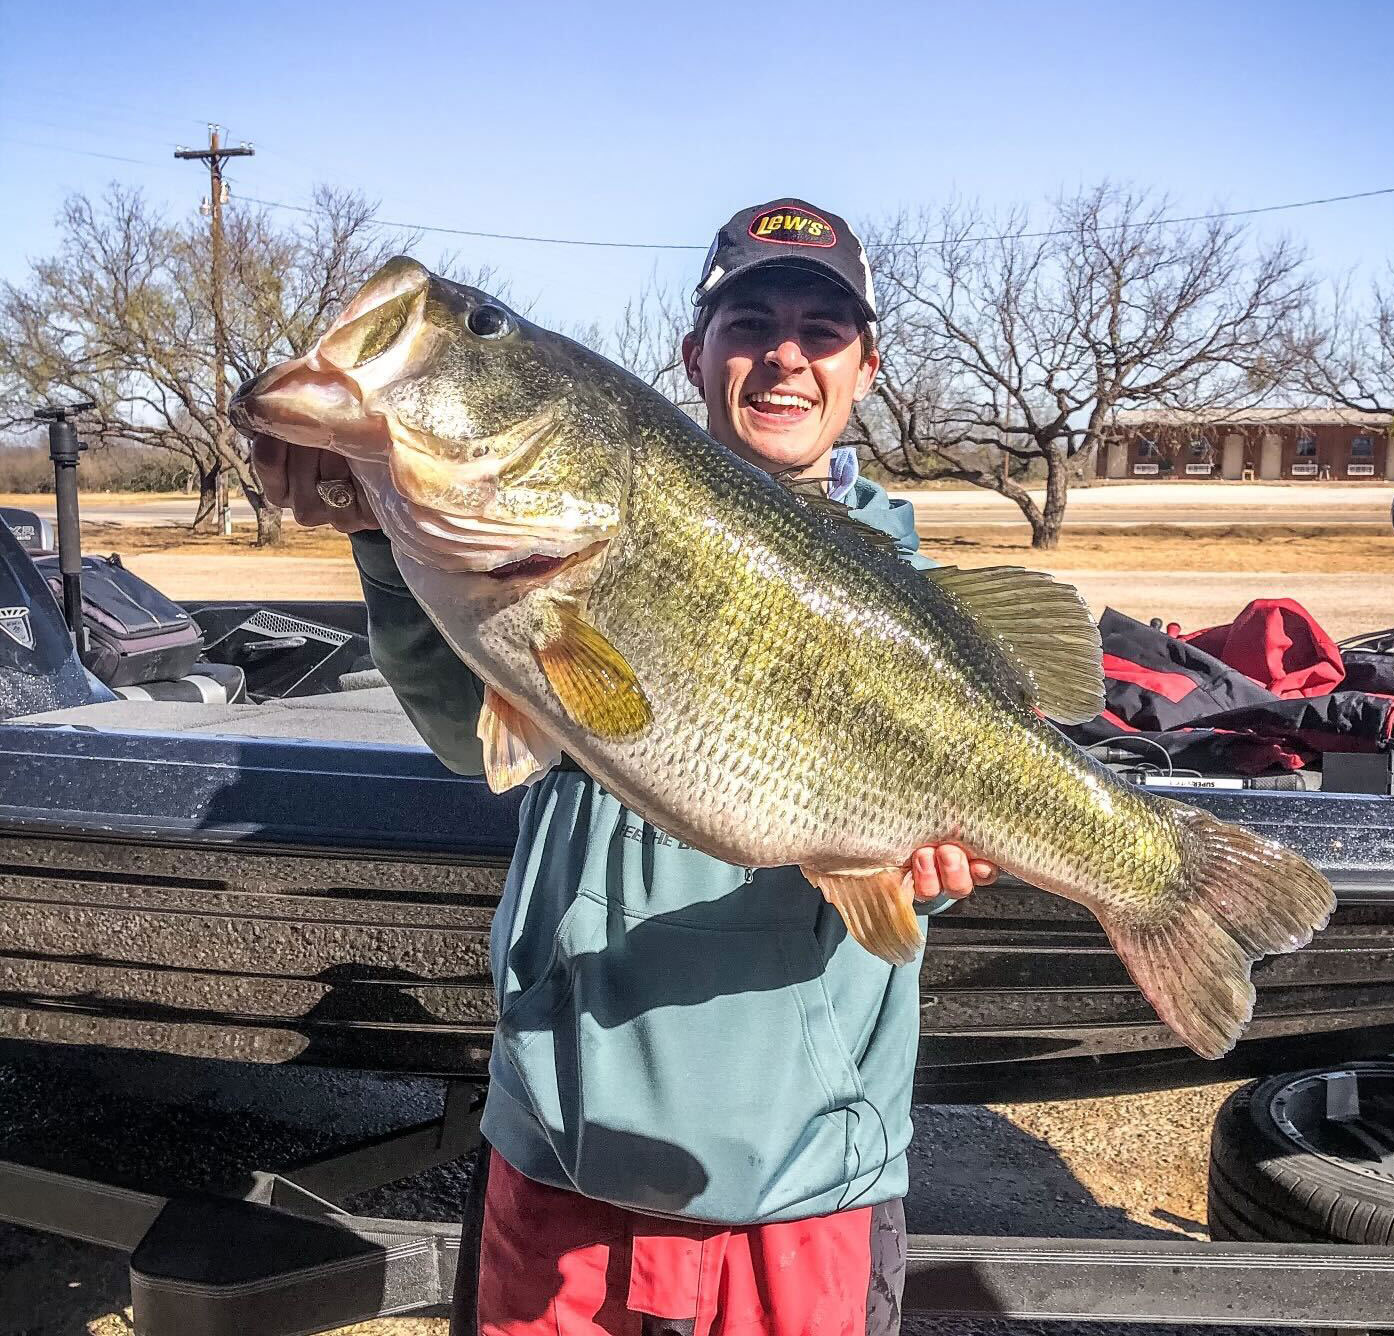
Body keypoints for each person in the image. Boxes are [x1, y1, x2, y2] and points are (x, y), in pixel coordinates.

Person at [251, 197, 996, 1336]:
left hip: (797, 1175)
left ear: (867, 367)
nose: (783, 356)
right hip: (560, 1136)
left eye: (820, 329)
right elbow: (472, 732)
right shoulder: (573, 527)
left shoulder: (909, 599)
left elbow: (919, 866)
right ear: (695, 353)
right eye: (749, 323)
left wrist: (933, 858)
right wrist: (379, 525)